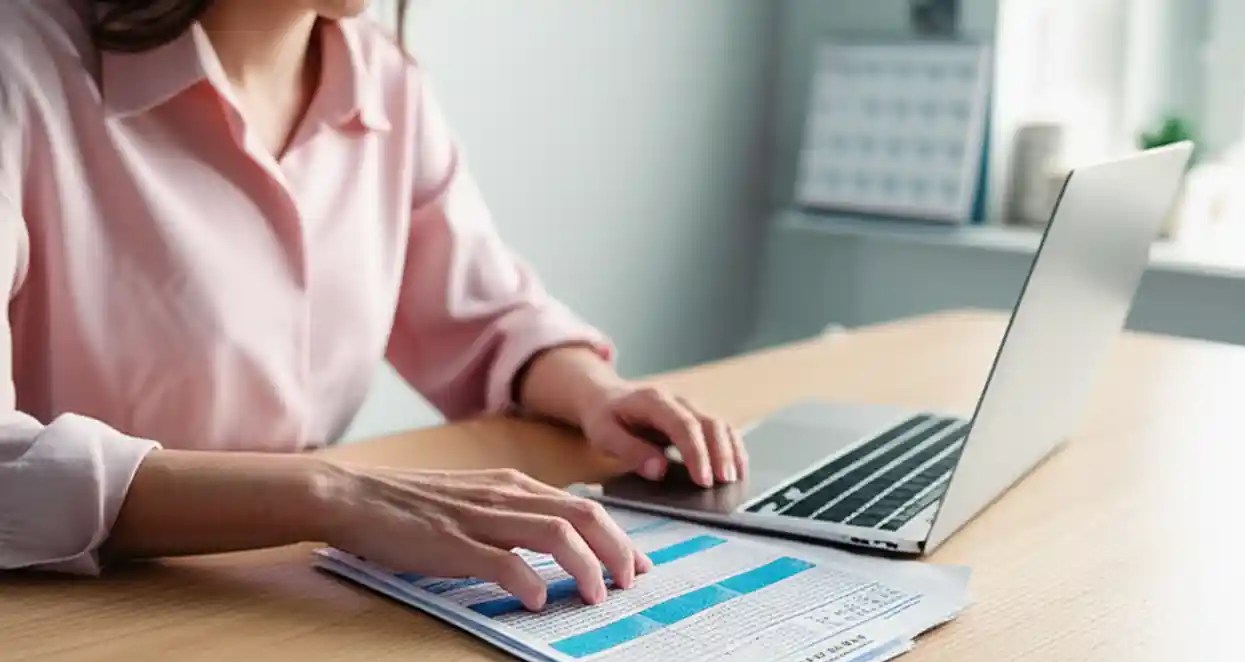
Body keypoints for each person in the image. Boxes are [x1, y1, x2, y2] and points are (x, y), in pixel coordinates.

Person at [0, 0, 748, 611]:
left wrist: (597, 394)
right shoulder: (19, 67)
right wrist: (332, 496)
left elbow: (485, 313)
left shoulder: (383, 80)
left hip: (275, 599)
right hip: (68, 615)